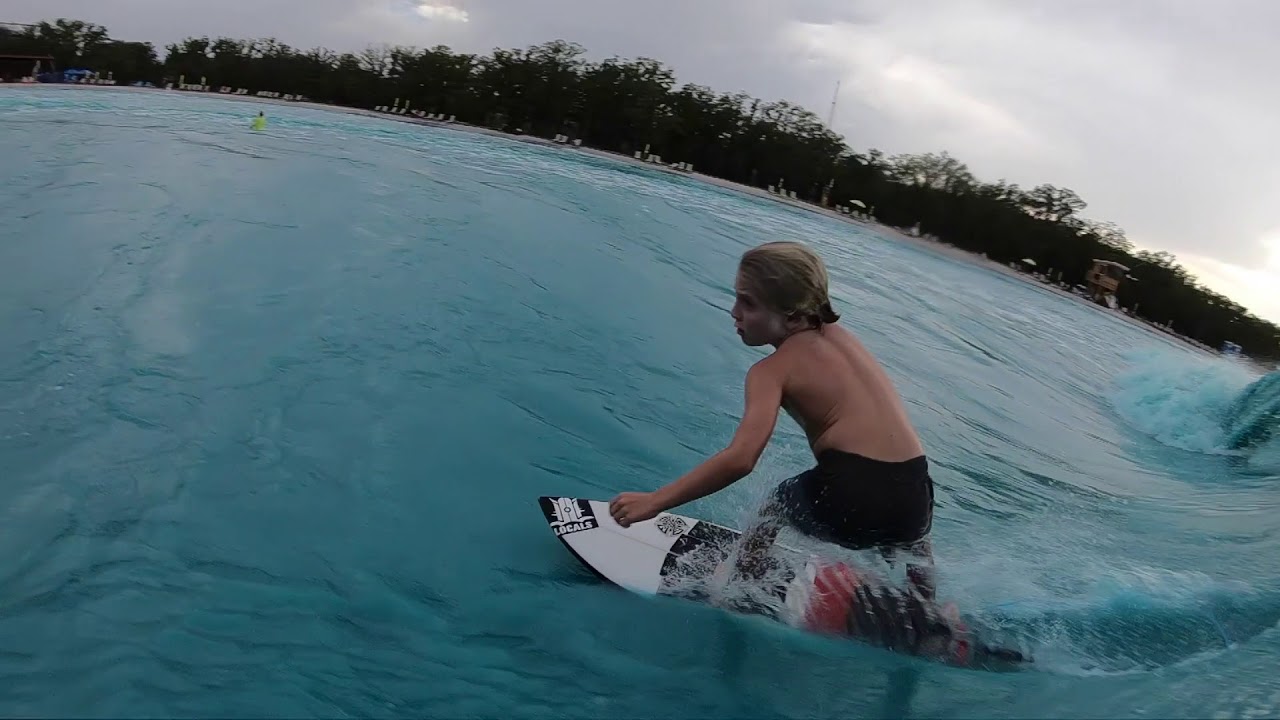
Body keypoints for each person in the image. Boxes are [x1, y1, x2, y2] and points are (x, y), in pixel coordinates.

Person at [608, 240, 936, 598]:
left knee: (773, 507)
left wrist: (654, 502)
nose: (734, 311)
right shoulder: (846, 340)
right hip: (917, 497)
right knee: (910, 545)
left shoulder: (770, 371)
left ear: (794, 316)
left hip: (855, 493)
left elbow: (741, 459)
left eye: (748, 303)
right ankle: (930, 608)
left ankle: (736, 587)